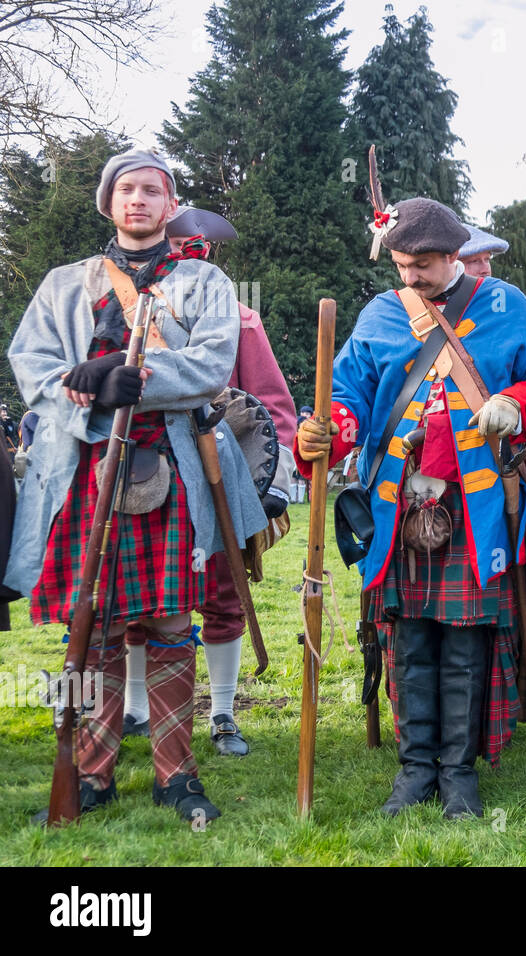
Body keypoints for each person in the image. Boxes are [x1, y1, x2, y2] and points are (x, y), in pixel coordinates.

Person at [7, 148, 264, 823]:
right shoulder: (66, 282)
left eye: (152, 190)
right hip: (87, 468)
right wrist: (83, 387)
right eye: (127, 190)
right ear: (109, 202)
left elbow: (213, 364)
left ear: (170, 203)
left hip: (171, 462)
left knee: (173, 619)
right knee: (93, 628)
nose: (139, 200)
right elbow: (30, 361)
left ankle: (175, 776)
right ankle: (90, 776)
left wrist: (138, 377)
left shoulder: (205, 281)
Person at [295, 196, 526, 818]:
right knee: (410, 636)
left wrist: (520, 404)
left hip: (476, 504)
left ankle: (459, 772)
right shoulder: (380, 314)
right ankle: (415, 770)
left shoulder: (507, 306)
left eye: (421, 264)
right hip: (399, 499)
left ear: (453, 256)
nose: (410, 276)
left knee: (467, 636)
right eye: (400, 264)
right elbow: (347, 395)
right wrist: (326, 431)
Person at [118, 206, 298, 757]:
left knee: (224, 595)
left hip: (218, 469)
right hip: (147, 469)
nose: (188, 256)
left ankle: (222, 712)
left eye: (196, 248)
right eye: (178, 246)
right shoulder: (120, 310)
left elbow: (272, 407)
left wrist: (273, 479)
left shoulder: (240, 318)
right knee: (140, 599)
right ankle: (135, 710)